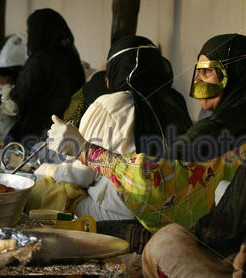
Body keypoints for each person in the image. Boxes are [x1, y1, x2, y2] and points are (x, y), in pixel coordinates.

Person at [47, 34, 246, 278]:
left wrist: (84, 150)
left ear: (235, 76)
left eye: (206, 73)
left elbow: (153, 183)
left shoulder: (221, 137)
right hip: (236, 255)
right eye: (197, 72)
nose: (196, 81)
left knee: (164, 242)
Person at [32, 36, 192, 225]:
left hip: (123, 213)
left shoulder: (109, 105)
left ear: (113, 74)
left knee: (40, 193)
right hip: (179, 209)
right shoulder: (176, 101)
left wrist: (44, 171)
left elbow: (79, 177)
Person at [7, 8, 86, 143]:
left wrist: (5, 87)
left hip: (40, 134)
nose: (28, 36)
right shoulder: (72, 58)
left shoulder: (39, 60)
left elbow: (17, 101)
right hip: (70, 131)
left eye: (29, 32)